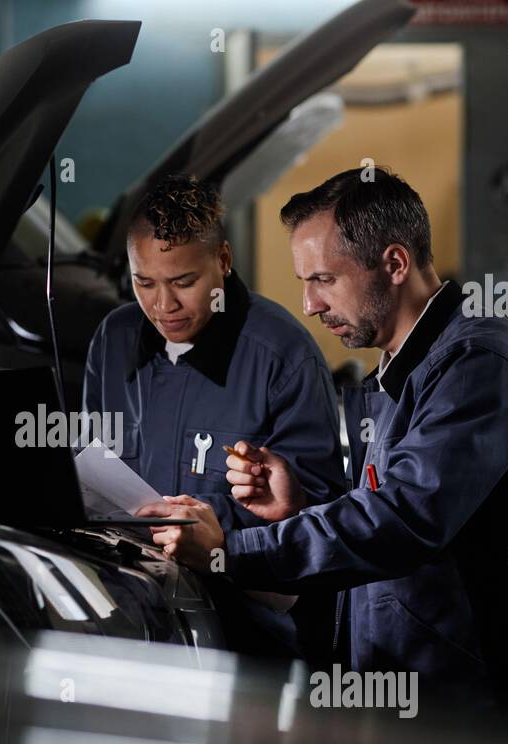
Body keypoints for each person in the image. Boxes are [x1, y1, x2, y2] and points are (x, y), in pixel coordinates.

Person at [141, 167, 508, 717]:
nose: (309, 305)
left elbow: (403, 519)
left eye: (324, 280)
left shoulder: (480, 362)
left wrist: (229, 552)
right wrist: (300, 509)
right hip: (422, 699)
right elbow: (390, 517)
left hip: (492, 708)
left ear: (395, 263)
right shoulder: (403, 368)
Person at [83, 173, 345, 656]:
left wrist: (210, 525)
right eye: (145, 282)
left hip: (249, 637)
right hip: (135, 620)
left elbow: (323, 520)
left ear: (223, 261)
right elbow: (91, 473)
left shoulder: (283, 356)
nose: (164, 305)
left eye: (183, 282)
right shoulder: (113, 340)